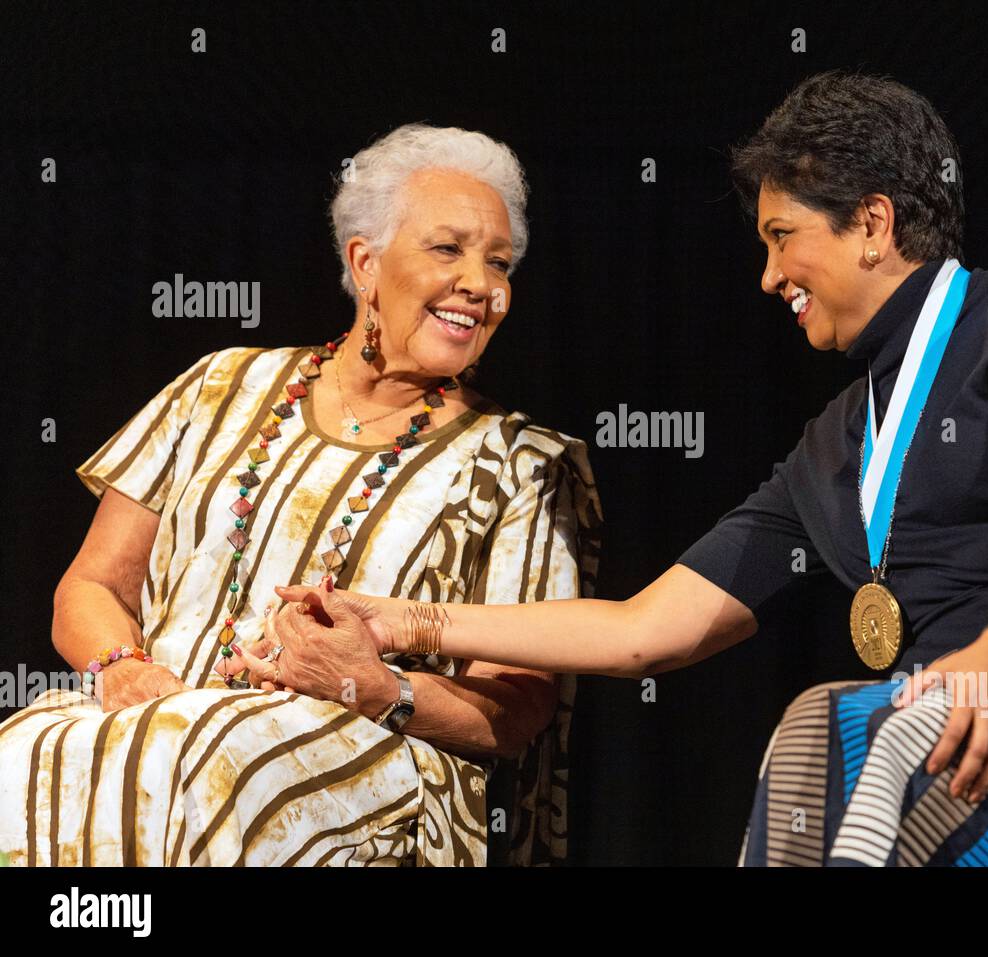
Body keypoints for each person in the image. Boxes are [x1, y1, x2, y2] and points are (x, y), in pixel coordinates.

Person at [256, 72, 988, 866]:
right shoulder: (834, 447)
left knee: (876, 735)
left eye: (783, 237)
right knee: (828, 730)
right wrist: (405, 622)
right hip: (949, 725)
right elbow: (647, 631)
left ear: (871, 223)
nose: (769, 274)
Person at [0, 123, 601, 866]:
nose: (482, 284)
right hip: (155, 725)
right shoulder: (218, 387)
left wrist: (380, 688)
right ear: (366, 262)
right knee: (23, 759)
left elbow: (516, 709)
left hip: (368, 758)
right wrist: (125, 669)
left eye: (499, 261)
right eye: (448, 249)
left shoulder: (525, 463)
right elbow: (90, 584)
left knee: (217, 765)